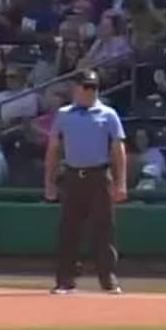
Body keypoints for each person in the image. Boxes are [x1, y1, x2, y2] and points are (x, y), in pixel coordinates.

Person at [43, 69, 127, 295]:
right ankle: (65, 279)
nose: (90, 92)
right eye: (86, 87)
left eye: (94, 88)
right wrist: (49, 182)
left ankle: (108, 278)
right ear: (75, 89)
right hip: (72, 175)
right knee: (69, 229)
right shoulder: (64, 115)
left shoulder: (108, 114)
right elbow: (53, 149)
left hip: (99, 175)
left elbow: (118, 150)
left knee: (104, 228)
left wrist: (121, 182)